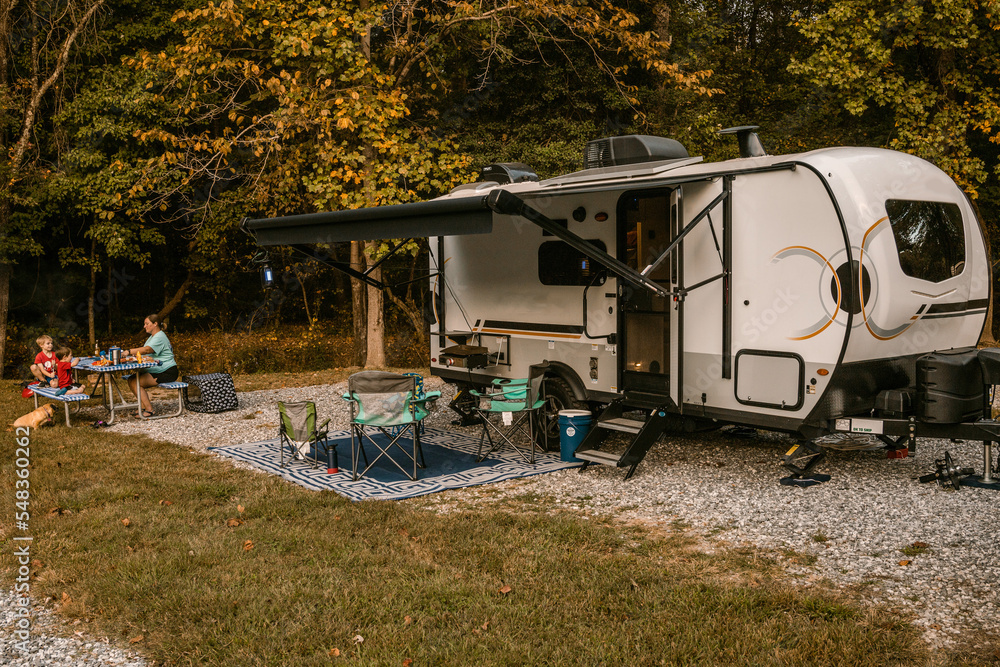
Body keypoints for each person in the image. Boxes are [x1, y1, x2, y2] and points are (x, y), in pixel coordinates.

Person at [127, 314, 179, 417]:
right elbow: (146, 354)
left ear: (155, 324)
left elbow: (147, 350)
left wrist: (128, 351)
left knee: (135, 381)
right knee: (131, 379)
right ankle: (142, 408)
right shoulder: (152, 337)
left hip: (167, 371)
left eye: (147, 324)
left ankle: (149, 410)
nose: (144, 326)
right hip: (159, 369)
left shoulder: (160, 336)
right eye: (144, 324)